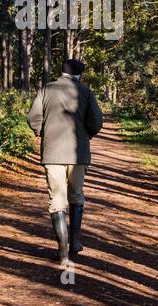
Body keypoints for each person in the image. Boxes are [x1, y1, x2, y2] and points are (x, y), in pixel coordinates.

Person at [26, 58, 104, 264]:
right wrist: (86, 135)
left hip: (52, 153)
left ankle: (62, 249)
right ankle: (75, 242)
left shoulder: (46, 89)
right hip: (77, 154)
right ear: (80, 75)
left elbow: (33, 116)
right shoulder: (85, 91)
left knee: (56, 199)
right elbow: (96, 121)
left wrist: (41, 132)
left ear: (62, 72)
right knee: (76, 195)